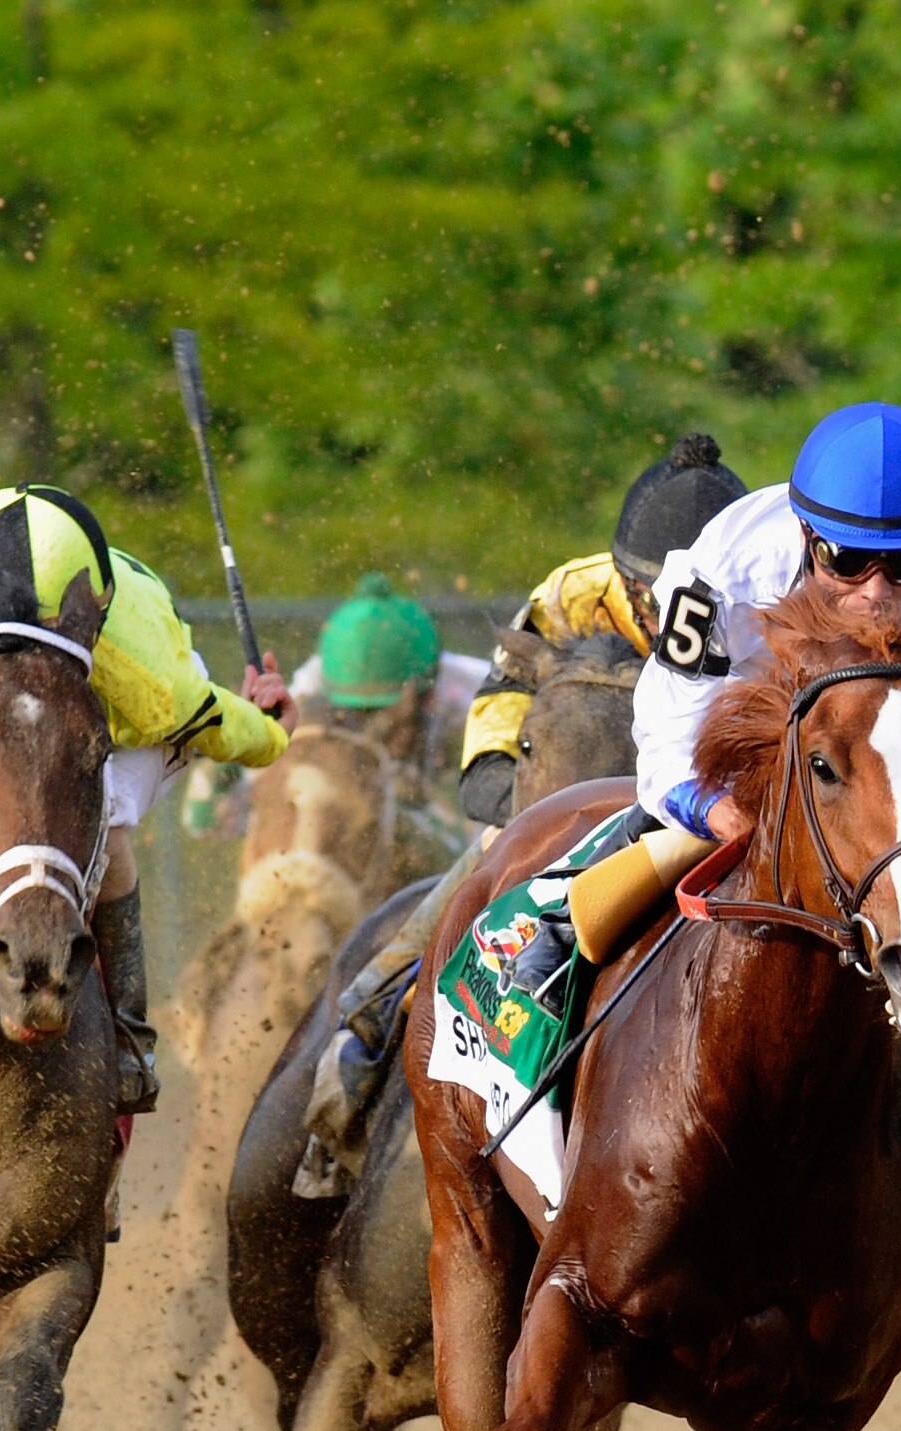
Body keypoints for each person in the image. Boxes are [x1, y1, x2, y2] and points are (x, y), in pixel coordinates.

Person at [472, 400, 901, 1135]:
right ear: (804, 534)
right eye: (847, 561)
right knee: (680, 831)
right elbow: (664, 730)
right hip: (738, 718)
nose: (874, 593)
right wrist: (712, 807)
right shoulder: (728, 564)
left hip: (878, 759)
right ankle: (556, 943)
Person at [292, 434, 751, 1190]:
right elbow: (502, 710)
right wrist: (516, 805)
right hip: (568, 796)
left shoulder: (770, 602)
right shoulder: (571, 593)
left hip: (704, 810)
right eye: (646, 590)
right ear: (619, 573)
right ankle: (367, 1029)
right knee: (486, 857)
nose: (665, 609)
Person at [0, 484, 294, 1114]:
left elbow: (225, 726)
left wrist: (268, 727)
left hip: (114, 722)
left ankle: (131, 1037)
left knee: (107, 815)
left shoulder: (144, 669)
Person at [454, 433, 748, 825]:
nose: (671, 622)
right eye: (654, 601)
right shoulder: (573, 595)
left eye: (696, 603)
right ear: (624, 580)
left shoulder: (768, 606)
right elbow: (496, 732)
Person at [288, 574, 488, 775]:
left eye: (386, 711)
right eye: (363, 712)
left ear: (428, 694)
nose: (375, 726)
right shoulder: (308, 687)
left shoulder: (474, 689)